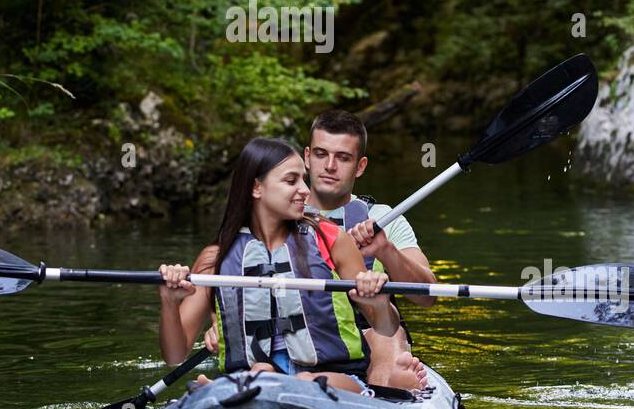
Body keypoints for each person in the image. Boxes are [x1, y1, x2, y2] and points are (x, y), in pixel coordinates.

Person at [158, 137, 424, 393]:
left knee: (303, 379)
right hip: (255, 377)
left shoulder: (331, 239)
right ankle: (244, 387)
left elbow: (387, 327)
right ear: (256, 188)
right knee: (261, 369)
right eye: (291, 180)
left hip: (333, 378)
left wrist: (377, 301)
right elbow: (174, 354)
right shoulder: (216, 257)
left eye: (303, 179)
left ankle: (231, 390)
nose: (306, 190)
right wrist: (169, 302)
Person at [305, 110, 436, 387]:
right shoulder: (281, 212)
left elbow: (427, 296)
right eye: (320, 154)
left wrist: (385, 250)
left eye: (343, 158)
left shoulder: (384, 217)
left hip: (371, 326)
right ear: (307, 157)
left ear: (360, 166)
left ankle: (387, 389)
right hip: (303, 328)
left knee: (386, 336)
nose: (329, 166)